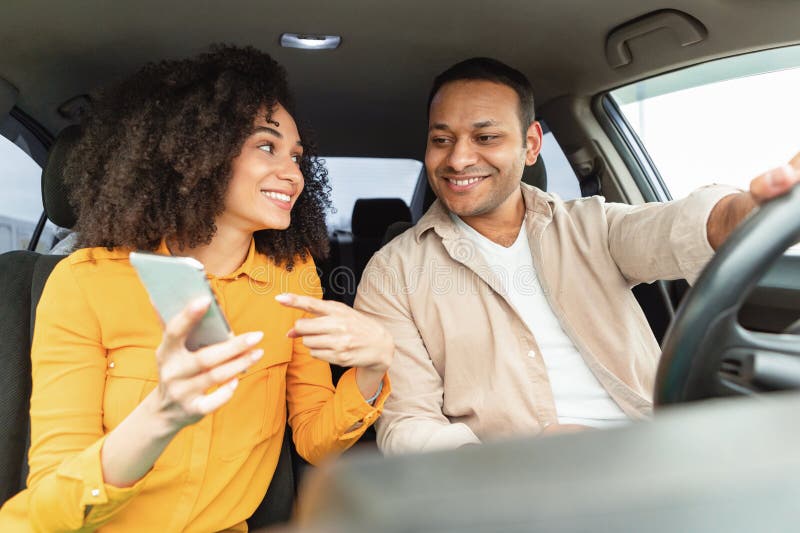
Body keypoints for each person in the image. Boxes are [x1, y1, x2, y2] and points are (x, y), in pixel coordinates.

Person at [0, 46, 393, 531]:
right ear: (198, 151)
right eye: (266, 146)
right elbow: (50, 510)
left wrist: (372, 369)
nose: (294, 174)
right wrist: (161, 416)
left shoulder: (294, 278)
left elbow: (315, 441)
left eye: (296, 156)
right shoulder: (85, 281)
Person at [354, 57, 800, 455]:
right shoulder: (394, 272)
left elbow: (675, 228)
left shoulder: (593, 226)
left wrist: (742, 213)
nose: (458, 158)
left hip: (653, 452)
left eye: (485, 137)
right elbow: (408, 424)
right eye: (441, 139)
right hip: (514, 487)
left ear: (531, 145)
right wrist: (512, 464)